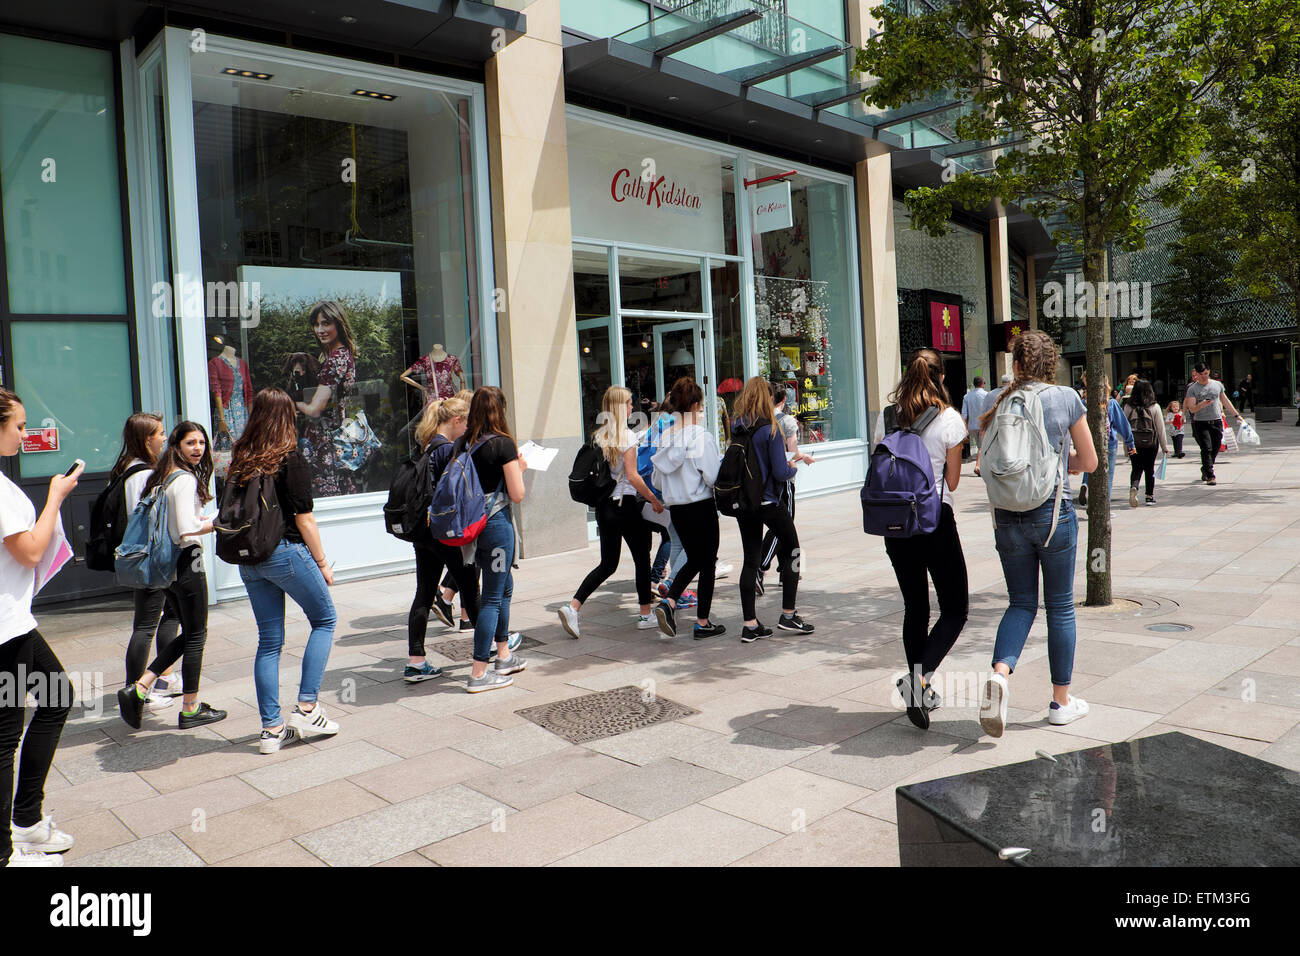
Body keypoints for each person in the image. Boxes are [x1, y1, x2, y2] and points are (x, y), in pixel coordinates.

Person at [978, 331, 1098, 738]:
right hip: (1052, 515)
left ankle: (1000, 674)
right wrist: (1065, 465)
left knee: (1021, 603)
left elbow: (984, 462)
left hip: (1007, 518)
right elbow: (1092, 460)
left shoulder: (999, 401)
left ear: (1015, 364)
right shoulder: (1065, 397)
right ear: (1052, 363)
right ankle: (1061, 702)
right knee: (1060, 607)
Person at [224, 389, 341, 752]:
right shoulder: (290, 458)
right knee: (325, 619)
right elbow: (304, 519)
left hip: (250, 559)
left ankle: (271, 730)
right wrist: (322, 563)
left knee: (269, 641)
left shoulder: (241, 457)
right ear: (287, 416)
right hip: (284, 552)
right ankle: (307, 707)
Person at [0, 388, 79, 866]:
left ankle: (26, 822)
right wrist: (55, 497)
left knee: (57, 697)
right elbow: (29, 550)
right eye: (18, 425)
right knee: (5, 738)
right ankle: (9, 850)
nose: (24, 433)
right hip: (5, 627)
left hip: (14, 621)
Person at [876, 350, 968, 730]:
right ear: (941, 378)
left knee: (916, 607)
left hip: (896, 526)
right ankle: (919, 680)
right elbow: (952, 482)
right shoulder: (949, 420)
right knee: (955, 608)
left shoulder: (888, 418)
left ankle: (920, 692)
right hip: (934, 523)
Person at [116, 421, 226, 730]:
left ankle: (140, 686)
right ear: (176, 446)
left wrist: (197, 519)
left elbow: (176, 522)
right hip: (186, 561)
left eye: (202, 443)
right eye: (191, 443)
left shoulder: (161, 477)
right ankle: (190, 708)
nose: (198, 448)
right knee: (197, 635)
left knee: (191, 632)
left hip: (168, 568)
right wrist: (217, 521)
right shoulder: (184, 479)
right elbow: (187, 528)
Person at [404, 395, 500, 682]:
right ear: (456, 421)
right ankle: (491, 648)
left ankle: (416, 662)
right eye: (467, 423)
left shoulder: (427, 445)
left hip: (422, 531)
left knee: (424, 592)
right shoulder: (447, 450)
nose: (469, 429)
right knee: (470, 587)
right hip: (442, 532)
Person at [559, 386, 663, 639]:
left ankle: (573, 607)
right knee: (642, 560)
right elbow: (633, 476)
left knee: (608, 564)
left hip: (605, 508)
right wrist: (653, 499)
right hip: (625, 507)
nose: (631, 407)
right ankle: (645, 614)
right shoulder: (626, 437)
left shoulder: (600, 435)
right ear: (619, 407)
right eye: (628, 403)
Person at [730, 376, 812, 642]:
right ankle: (788, 615)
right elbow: (779, 471)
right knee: (793, 551)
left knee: (750, 561)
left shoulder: (737, 425)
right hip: (768, 502)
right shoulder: (772, 429)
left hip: (744, 503)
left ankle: (750, 624)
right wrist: (793, 467)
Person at [459, 387, 528, 692]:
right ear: (500, 410)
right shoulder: (503, 444)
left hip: (474, 527)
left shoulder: (464, 443)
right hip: (497, 526)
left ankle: (504, 655)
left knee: (504, 588)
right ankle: (478, 672)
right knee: (492, 596)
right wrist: (520, 469)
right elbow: (517, 493)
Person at [113, 413, 182, 709]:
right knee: (146, 624)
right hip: (150, 558)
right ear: (146, 439)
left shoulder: (125, 468)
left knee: (169, 615)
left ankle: (162, 675)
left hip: (141, 557)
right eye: (160, 433)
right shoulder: (142, 474)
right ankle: (136, 690)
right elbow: (152, 519)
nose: (165, 438)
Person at [651, 377, 725, 640]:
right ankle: (702, 621)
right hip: (700, 506)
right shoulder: (700, 437)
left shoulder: (665, 438)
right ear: (695, 405)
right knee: (707, 563)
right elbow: (712, 477)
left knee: (695, 558)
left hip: (677, 510)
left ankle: (669, 602)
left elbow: (657, 479)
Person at [756, 381, 814, 596]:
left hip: (761, 484)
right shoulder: (786, 421)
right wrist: (804, 459)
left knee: (783, 528)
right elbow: (792, 453)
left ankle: (785, 573)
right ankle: (761, 568)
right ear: (783, 400)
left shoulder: (758, 421)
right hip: (782, 482)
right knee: (784, 528)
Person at [297, 300, 358, 497]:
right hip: (334, 435)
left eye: (326, 323)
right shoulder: (338, 355)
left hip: (325, 439)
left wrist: (291, 402)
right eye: (316, 324)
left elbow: (315, 409)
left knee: (326, 496)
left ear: (338, 324)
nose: (320, 329)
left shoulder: (336, 359)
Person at [1077, 374, 1133, 508]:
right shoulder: (1111, 402)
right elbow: (1122, 424)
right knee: (1108, 476)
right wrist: (1130, 442)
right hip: (1109, 443)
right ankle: (1103, 507)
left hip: (1090, 441)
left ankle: (1086, 485)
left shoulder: (1085, 403)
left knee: (1090, 467)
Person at [1185, 363, 1243, 486]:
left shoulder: (1217, 385)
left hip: (1216, 421)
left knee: (1216, 447)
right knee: (1206, 448)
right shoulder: (1192, 389)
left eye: (1206, 374)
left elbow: (1225, 401)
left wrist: (1236, 415)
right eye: (1201, 375)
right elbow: (1192, 409)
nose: (1204, 377)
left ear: (1209, 372)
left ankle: (1206, 468)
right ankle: (1210, 475)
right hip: (1201, 422)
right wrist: (1202, 405)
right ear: (1196, 374)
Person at [1125, 380, 1171, 507]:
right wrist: (1164, 447)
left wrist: (1126, 448)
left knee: (1136, 468)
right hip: (1151, 444)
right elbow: (1160, 428)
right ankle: (1149, 496)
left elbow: (1124, 427)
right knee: (1149, 468)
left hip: (1133, 445)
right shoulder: (1154, 406)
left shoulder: (1128, 406)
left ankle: (1134, 487)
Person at [960, 376, 988, 468]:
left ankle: (981, 465)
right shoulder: (986, 395)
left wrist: (964, 428)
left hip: (972, 426)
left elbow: (964, 414)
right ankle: (978, 465)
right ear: (982, 384)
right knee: (982, 446)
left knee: (980, 445)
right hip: (983, 425)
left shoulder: (967, 397)